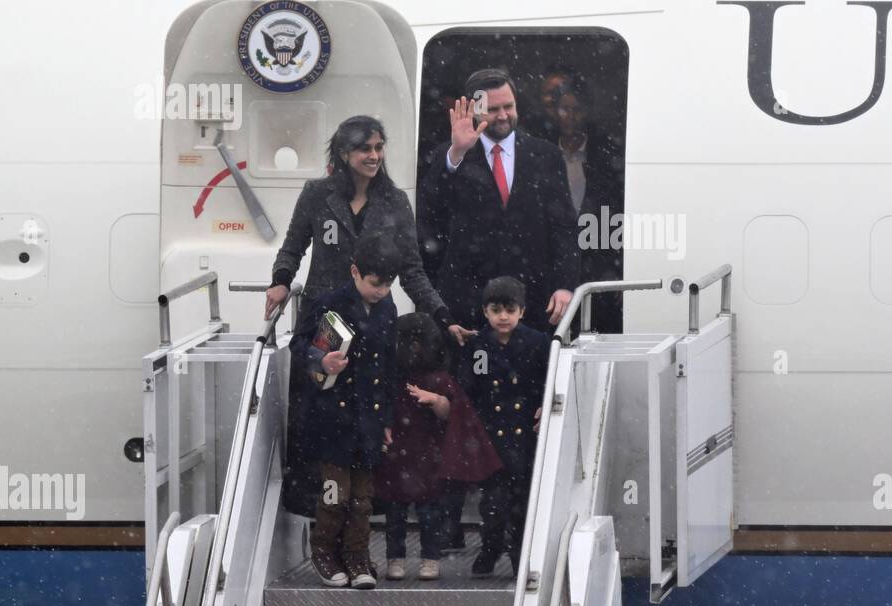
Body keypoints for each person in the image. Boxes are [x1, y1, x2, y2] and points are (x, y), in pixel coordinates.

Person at [264, 115, 473, 516]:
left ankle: (366, 514)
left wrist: (442, 315)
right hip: (325, 320)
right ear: (344, 153)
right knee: (319, 415)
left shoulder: (395, 201)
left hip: (374, 322)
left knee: (368, 413)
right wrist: (280, 281)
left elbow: (412, 270)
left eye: (379, 147)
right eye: (365, 148)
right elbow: (293, 247)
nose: (374, 156)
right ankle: (316, 513)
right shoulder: (316, 194)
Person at [418, 68, 580, 332]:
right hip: (468, 302)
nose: (504, 115)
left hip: (534, 301)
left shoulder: (545, 155)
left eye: (509, 106)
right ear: (473, 109)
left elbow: (564, 229)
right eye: (494, 109)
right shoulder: (450, 155)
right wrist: (456, 153)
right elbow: (430, 212)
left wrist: (564, 286)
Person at [290, 234, 400, 589]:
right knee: (334, 492)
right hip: (332, 417)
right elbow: (298, 343)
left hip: (368, 414)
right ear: (355, 272)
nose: (381, 291)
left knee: (363, 498)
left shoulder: (387, 309)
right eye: (375, 283)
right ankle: (324, 550)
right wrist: (321, 359)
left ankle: (357, 555)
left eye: (388, 284)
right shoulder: (328, 302)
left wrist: (386, 419)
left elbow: (388, 367)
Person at [374, 312, 502, 582]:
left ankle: (428, 558)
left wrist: (435, 400)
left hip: (422, 457)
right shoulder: (394, 377)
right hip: (403, 456)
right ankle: (395, 558)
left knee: (427, 515)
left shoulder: (438, 379)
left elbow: (452, 412)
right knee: (396, 514)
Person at [460, 276, 550, 576]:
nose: (503, 316)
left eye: (510, 310)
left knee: (523, 502)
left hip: (526, 435)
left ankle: (520, 557)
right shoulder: (478, 346)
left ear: (522, 311)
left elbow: (547, 384)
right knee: (493, 503)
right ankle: (491, 546)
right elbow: (469, 389)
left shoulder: (539, 343)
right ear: (485, 312)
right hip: (492, 436)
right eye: (496, 309)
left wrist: (543, 407)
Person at [538, 67, 624, 333]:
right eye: (565, 110)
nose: (571, 117)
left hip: (597, 256)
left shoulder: (607, 156)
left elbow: (615, 214)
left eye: (577, 110)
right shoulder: (542, 154)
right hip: (552, 260)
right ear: (555, 113)